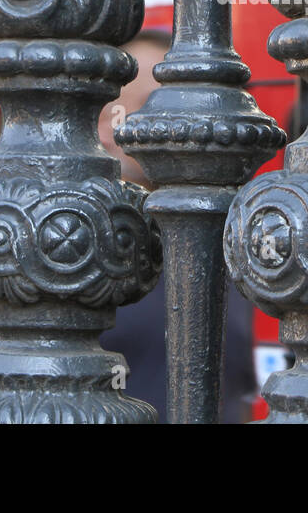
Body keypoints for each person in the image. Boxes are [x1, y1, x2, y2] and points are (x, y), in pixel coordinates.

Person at [98, 28, 258, 423]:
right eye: (112, 109)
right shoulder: (58, 239)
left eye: (149, 108)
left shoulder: (233, 238)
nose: (124, 128)